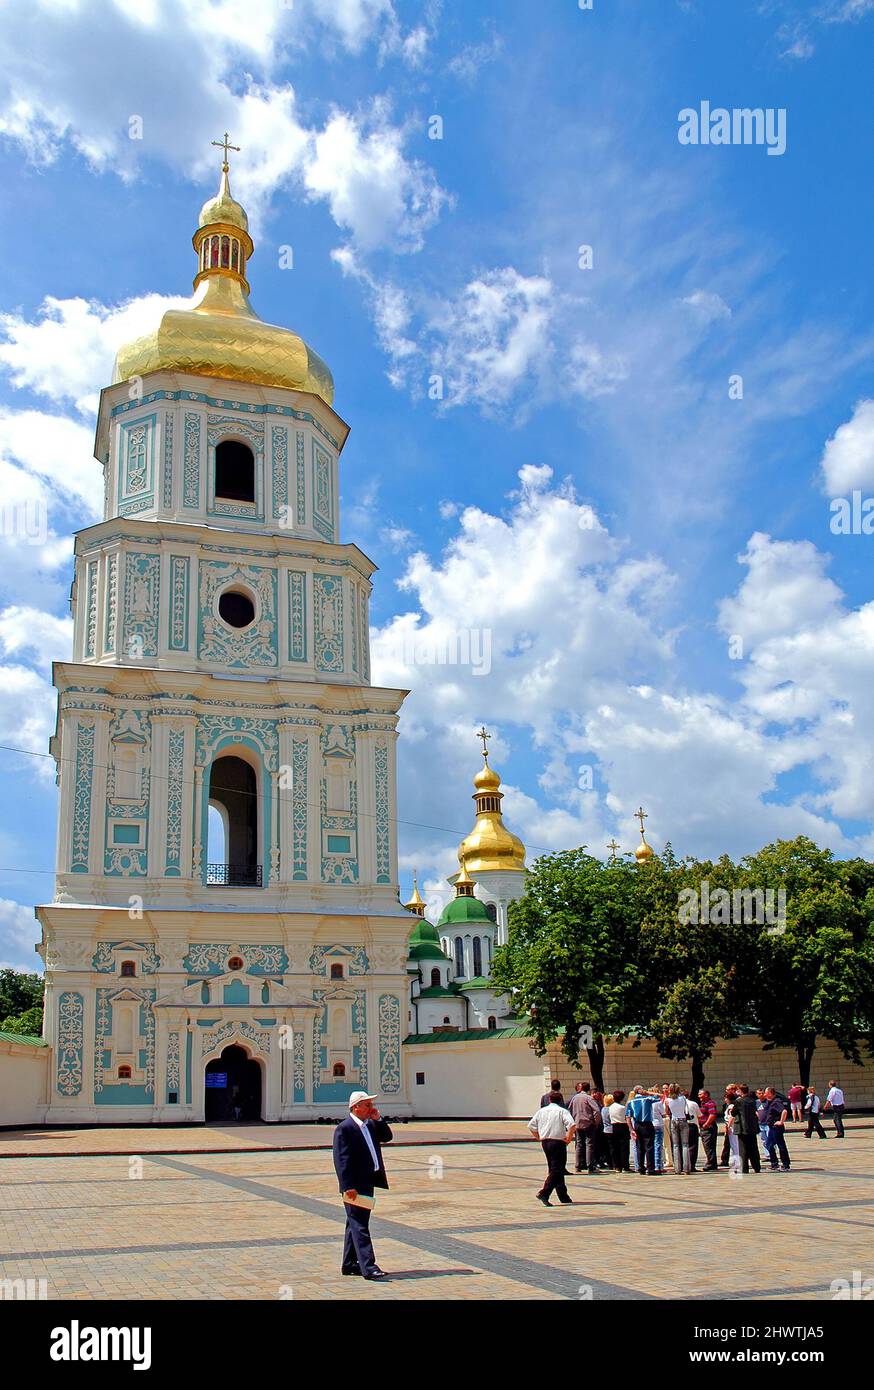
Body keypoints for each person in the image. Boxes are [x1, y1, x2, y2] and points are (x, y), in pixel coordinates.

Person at [332, 1090, 393, 1280]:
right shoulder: (345, 1128)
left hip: (368, 1182)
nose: (371, 1107)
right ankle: (368, 1266)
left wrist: (378, 1118)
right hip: (354, 1186)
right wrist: (346, 1186)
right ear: (356, 1106)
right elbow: (341, 1160)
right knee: (359, 1225)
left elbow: (387, 1137)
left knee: (355, 1223)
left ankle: (350, 1264)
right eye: (367, 1104)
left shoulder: (371, 1125)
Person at [528, 1094, 576, 1205]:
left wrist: (539, 1137)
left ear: (549, 1100)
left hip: (545, 1142)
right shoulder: (562, 1111)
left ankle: (563, 1196)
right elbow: (572, 1125)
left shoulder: (542, 1111)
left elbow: (531, 1126)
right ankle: (544, 1193)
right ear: (560, 1100)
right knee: (557, 1169)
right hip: (558, 1142)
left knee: (554, 1168)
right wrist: (568, 1139)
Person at [568, 1081, 602, 1174]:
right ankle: (590, 1166)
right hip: (588, 1123)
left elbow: (569, 1110)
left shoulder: (574, 1098)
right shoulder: (589, 1098)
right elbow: (597, 1111)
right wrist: (596, 1122)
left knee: (579, 1144)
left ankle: (578, 1166)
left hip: (577, 1123)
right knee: (589, 1144)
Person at [627, 1086, 659, 1175]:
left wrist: (631, 1129)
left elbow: (628, 1117)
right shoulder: (647, 1099)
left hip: (637, 1125)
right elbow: (660, 1096)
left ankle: (641, 1168)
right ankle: (650, 1168)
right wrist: (648, 1093)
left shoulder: (631, 1102)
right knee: (649, 1146)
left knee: (639, 1147)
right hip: (647, 1124)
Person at [731, 1085, 761, 1173]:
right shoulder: (752, 1100)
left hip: (742, 1128)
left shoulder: (739, 1101)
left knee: (743, 1149)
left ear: (740, 1091)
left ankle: (744, 1168)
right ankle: (756, 1167)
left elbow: (733, 1113)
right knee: (753, 1148)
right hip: (752, 1127)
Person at [666, 1084, 692, 1175]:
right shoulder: (683, 1098)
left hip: (673, 1120)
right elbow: (686, 1110)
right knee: (685, 1145)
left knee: (675, 1145)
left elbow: (667, 1112)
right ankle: (687, 1168)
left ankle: (677, 1169)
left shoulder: (668, 1100)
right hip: (683, 1120)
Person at [763, 1087, 791, 1170]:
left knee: (781, 1145)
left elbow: (784, 1111)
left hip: (776, 1127)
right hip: (771, 1127)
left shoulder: (776, 1101)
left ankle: (786, 1165)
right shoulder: (769, 1101)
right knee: (769, 1145)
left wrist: (781, 1122)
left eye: (766, 1092)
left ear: (770, 1093)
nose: (765, 1094)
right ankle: (774, 1164)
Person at [608, 1090, 631, 1171]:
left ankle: (617, 1165)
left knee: (615, 1147)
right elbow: (626, 1117)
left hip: (614, 1126)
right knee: (624, 1147)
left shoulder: (610, 1107)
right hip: (623, 1126)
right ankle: (625, 1166)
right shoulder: (623, 1108)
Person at [698, 1090, 718, 1171]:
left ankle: (711, 1164)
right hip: (703, 1127)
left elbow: (712, 1114)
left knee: (709, 1146)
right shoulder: (702, 1104)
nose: (699, 1096)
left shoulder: (710, 1103)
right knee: (707, 1146)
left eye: (700, 1094)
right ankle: (712, 1162)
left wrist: (706, 1124)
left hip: (709, 1128)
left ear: (706, 1095)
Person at [723, 1089, 741, 1174]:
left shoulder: (731, 1106)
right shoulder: (729, 1106)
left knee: (735, 1146)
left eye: (726, 1098)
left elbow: (732, 1117)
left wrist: (728, 1127)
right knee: (733, 1146)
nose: (725, 1100)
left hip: (732, 1127)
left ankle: (737, 1163)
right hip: (730, 1127)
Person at [684, 1091, 702, 1172]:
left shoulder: (678, 1103)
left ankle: (683, 1165)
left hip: (682, 1126)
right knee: (693, 1146)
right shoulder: (693, 1103)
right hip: (692, 1125)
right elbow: (699, 1115)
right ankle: (692, 1165)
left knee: (683, 1146)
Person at [650, 1088, 666, 1173]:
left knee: (650, 1145)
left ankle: (650, 1164)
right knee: (658, 1145)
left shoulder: (647, 1102)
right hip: (658, 1124)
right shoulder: (658, 1103)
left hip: (650, 1124)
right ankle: (658, 1166)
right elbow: (663, 1114)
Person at [601, 1092, 615, 1166]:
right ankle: (613, 1162)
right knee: (613, 1147)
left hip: (605, 1129)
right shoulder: (611, 1109)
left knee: (607, 1148)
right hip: (612, 1129)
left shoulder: (603, 1109)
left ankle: (609, 1162)